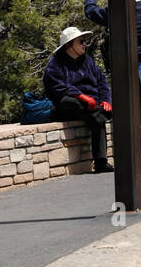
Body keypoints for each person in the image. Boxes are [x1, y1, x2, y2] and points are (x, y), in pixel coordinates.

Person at [85, 0, 141, 164]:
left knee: (129, 110)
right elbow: (129, 5)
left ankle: (138, 153)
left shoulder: (118, 11)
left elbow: (92, 12)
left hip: (125, 67)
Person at [44, 27, 113, 174]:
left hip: (92, 106)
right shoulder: (55, 65)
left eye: (85, 41)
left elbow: (102, 82)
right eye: (81, 41)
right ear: (69, 45)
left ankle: (101, 163)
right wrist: (81, 96)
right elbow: (58, 88)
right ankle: (101, 163)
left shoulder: (88, 61)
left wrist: (106, 100)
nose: (85, 44)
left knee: (101, 115)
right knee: (71, 102)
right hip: (72, 106)